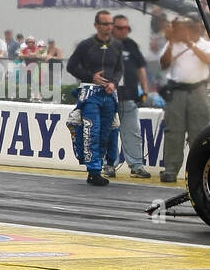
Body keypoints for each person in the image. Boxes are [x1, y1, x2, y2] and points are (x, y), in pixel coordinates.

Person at [65, 9, 125, 186]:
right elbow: (71, 66)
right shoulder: (86, 45)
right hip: (90, 95)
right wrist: (91, 77)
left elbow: (119, 69)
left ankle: (99, 167)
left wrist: (114, 83)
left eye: (111, 24)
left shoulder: (117, 45)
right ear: (96, 25)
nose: (109, 27)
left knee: (106, 133)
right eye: (105, 24)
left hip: (109, 95)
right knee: (92, 131)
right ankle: (93, 170)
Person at [156, 16, 210, 183]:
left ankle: (198, 171)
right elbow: (164, 64)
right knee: (173, 132)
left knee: (199, 133)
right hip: (177, 92)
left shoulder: (205, 44)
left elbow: (208, 60)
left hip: (198, 91)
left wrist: (189, 43)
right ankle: (170, 171)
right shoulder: (172, 44)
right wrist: (172, 42)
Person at [104, 15, 151, 178]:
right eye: (120, 28)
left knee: (133, 132)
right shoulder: (105, 44)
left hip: (129, 96)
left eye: (127, 28)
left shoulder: (131, 45)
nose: (125, 31)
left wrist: (145, 90)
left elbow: (141, 67)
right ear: (112, 28)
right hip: (109, 95)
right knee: (109, 132)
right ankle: (109, 164)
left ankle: (137, 166)